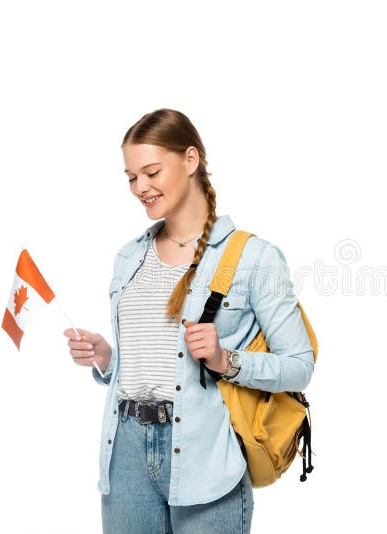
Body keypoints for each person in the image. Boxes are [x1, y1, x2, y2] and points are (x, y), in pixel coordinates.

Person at [63, 108, 315, 534]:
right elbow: (155, 360)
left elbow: (300, 365)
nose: (140, 188)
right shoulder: (128, 258)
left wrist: (225, 360)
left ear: (191, 160)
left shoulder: (254, 258)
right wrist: (109, 359)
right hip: (123, 452)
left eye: (151, 172)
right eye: (130, 177)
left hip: (206, 454)